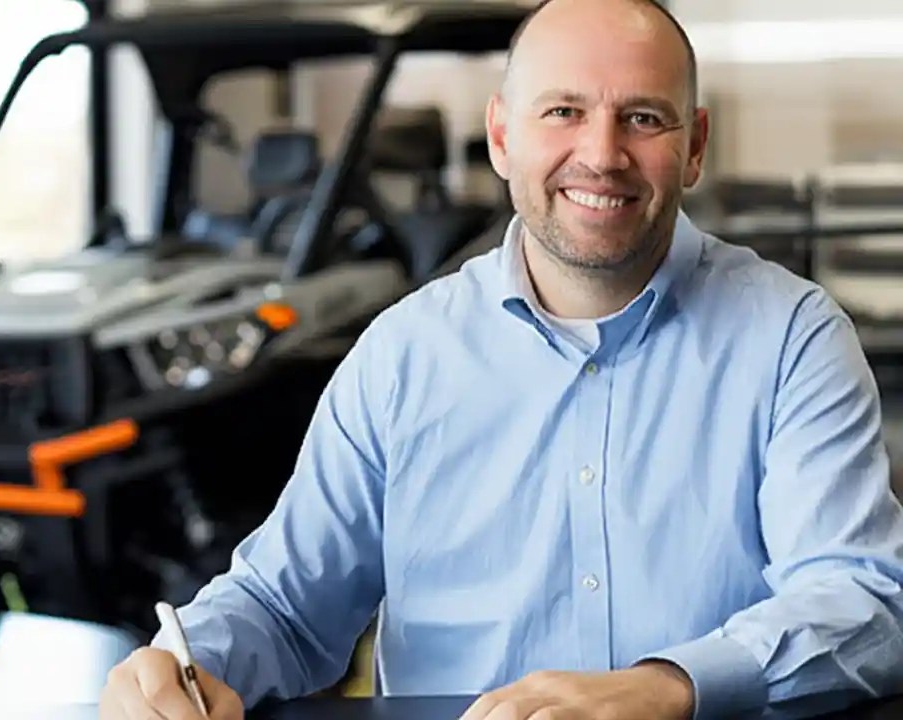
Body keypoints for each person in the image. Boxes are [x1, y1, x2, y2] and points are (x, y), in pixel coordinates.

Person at [100, 0, 903, 718]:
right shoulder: (403, 356)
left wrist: (667, 687)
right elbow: (284, 606)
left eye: (643, 118)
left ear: (693, 147)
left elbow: (863, 599)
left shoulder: (791, 337)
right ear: (501, 136)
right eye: (563, 111)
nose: (602, 153)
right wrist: (185, 665)